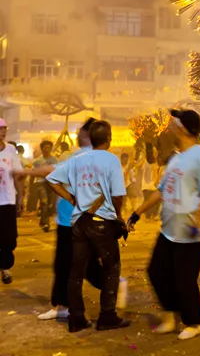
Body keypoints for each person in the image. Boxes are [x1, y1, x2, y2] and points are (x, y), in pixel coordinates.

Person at [17, 119, 125, 320]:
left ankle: (73, 307)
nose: (78, 135)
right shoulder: (79, 156)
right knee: (73, 266)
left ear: (89, 135)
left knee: (75, 266)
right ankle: (68, 306)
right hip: (71, 219)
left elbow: (51, 174)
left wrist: (25, 171)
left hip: (78, 221)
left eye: (82, 132)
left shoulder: (85, 157)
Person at [128, 109, 200, 340]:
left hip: (188, 230)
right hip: (168, 229)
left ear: (183, 129)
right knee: (156, 272)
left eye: (174, 124)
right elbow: (161, 190)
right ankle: (171, 316)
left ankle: (193, 322)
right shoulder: (177, 157)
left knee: (185, 280)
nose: (170, 127)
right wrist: (136, 213)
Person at [46, 120, 130, 332]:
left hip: (79, 222)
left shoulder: (78, 160)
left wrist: (71, 198)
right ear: (109, 138)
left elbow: (51, 180)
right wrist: (119, 217)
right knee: (111, 268)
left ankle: (77, 318)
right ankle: (107, 316)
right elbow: (118, 195)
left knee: (76, 271)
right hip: (102, 222)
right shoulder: (111, 160)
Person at [0, 119, 24, 284]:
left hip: (7, 200)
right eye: (0, 128)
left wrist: (21, 196)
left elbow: (17, 174)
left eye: (4, 128)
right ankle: (4, 269)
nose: (4, 131)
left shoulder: (10, 150)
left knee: (9, 239)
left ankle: (5, 265)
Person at [34, 140, 58, 232]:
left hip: (51, 184)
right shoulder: (37, 161)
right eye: (45, 148)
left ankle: (42, 220)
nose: (47, 149)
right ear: (42, 149)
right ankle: (46, 223)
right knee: (44, 202)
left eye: (49, 148)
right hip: (41, 183)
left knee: (50, 204)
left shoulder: (55, 160)